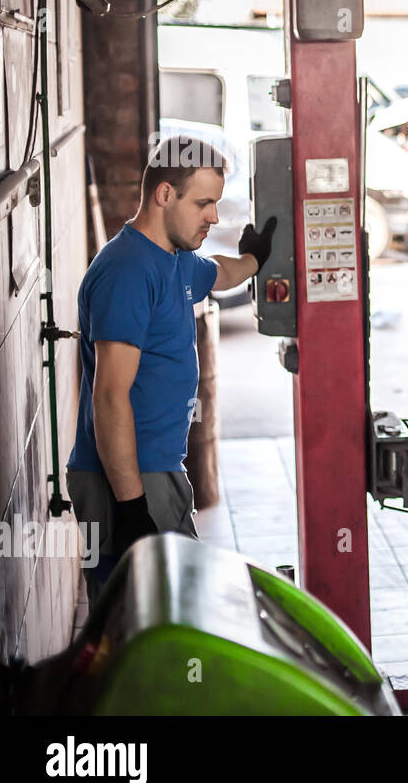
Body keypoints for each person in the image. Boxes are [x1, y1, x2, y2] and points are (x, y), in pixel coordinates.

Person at [66, 134, 276, 605]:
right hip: (127, 478)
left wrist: (254, 259)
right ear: (165, 195)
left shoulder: (175, 261)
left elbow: (218, 273)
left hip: (157, 469)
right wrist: (133, 508)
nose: (214, 217)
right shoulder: (127, 271)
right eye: (204, 203)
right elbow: (109, 397)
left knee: (169, 615)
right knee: (138, 622)